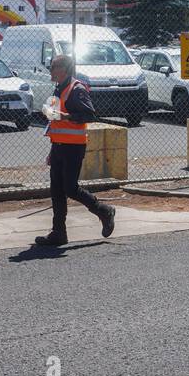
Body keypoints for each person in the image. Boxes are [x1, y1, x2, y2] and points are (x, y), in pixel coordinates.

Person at [35, 53, 116, 246]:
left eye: (53, 67)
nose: (50, 70)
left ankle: (104, 211)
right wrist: (52, 149)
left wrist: (66, 116)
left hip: (73, 147)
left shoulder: (76, 89)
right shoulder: (58, 88)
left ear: (63, 69)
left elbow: (89, 115)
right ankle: (58, 233)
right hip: (58, 146)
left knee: (70, 188)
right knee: (57, 190)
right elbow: (54, 121)